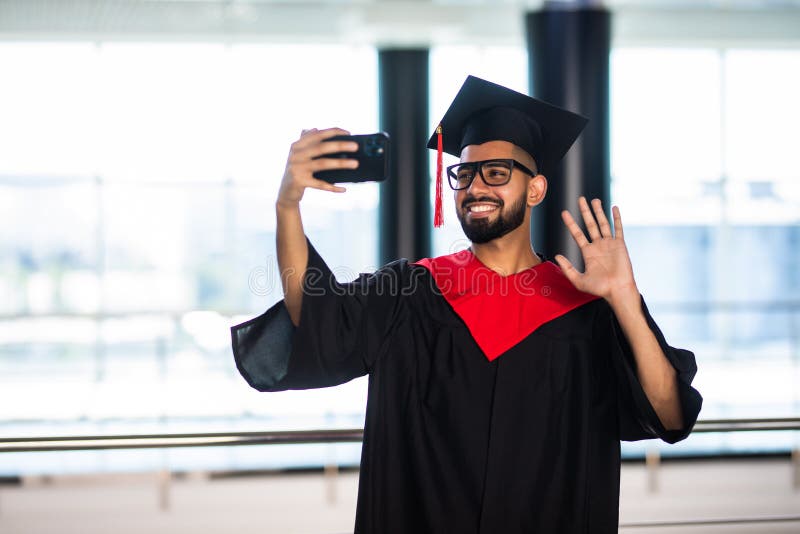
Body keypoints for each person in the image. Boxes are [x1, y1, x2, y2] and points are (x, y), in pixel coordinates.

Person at [230, 75, 702, 533]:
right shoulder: (410, 293)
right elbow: (316, 317)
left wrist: (625, 300)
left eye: (497, 173)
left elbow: (671, 415)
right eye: (465, 173)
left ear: (535, 189)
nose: (476, 188)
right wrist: (287, 206)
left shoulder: (586, 308)